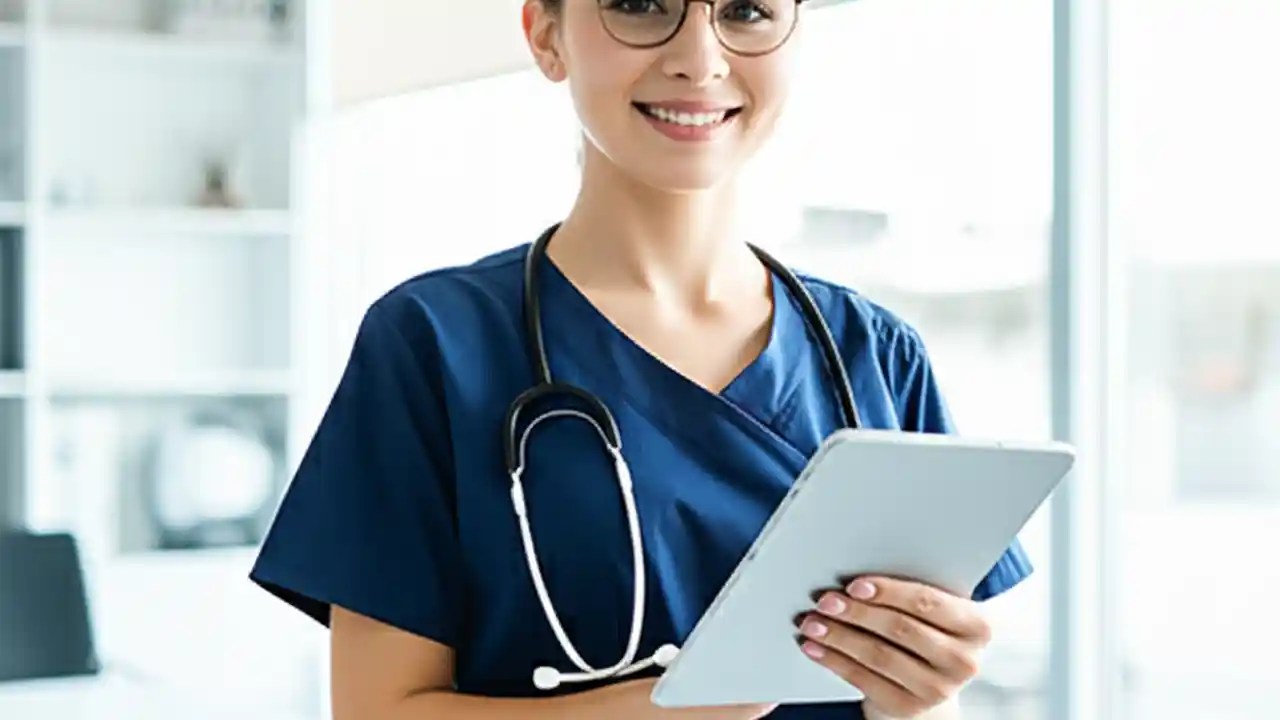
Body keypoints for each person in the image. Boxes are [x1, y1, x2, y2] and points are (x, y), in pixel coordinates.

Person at [249, 1, 1033, 718]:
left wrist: (919, 696)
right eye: (639, 5)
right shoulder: (434, 344)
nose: (699, 58)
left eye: (747, 11)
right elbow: (376, 710)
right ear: (546, 34)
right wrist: (666, 710)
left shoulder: (876, 356)